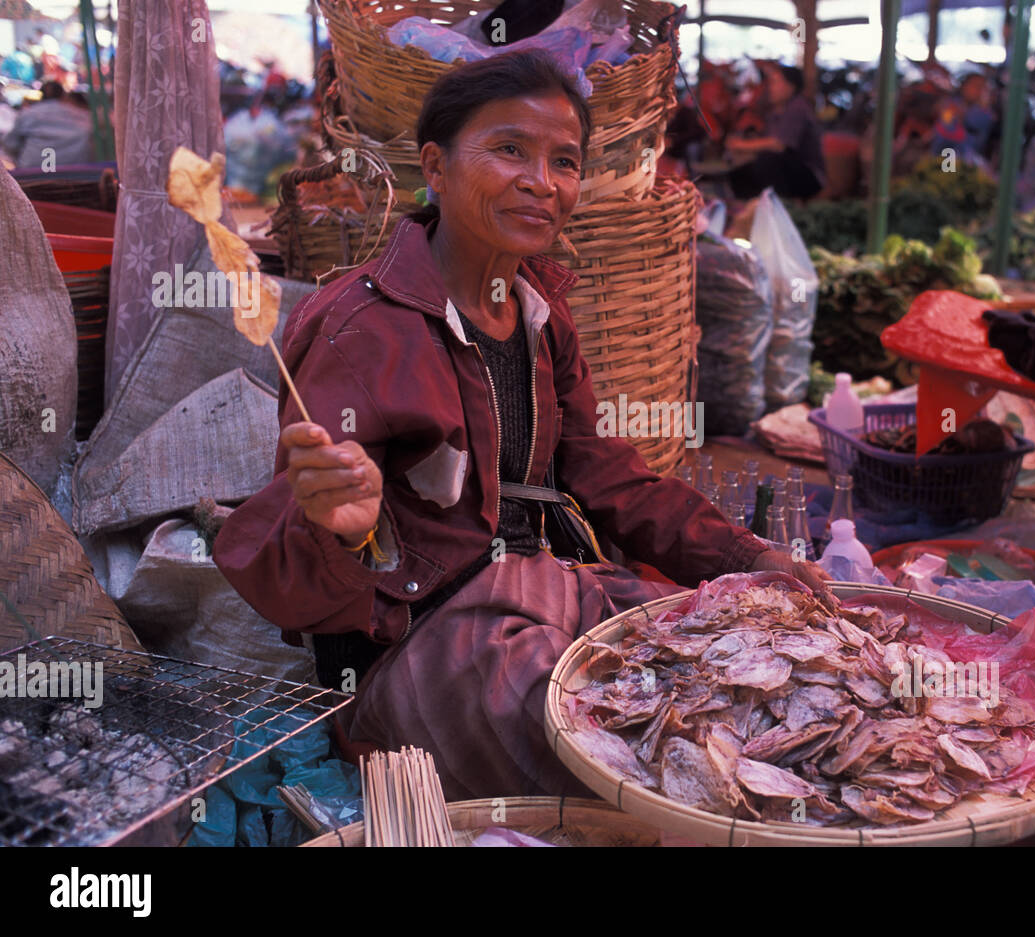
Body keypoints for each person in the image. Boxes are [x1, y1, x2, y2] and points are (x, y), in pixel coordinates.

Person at [213, 50, 830, 802]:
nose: (543, 181)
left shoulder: (536, 308)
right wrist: (350, 530)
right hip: (425, 643)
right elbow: (287, 571)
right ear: (436, 167)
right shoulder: (358, 329)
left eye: (564, 160)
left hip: (545, 591)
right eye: (510, 150)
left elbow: (605, 474)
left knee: (733, 671)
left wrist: (746, 554)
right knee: (632, 748)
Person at [726, 63, 826, 200]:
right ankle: (752, 210)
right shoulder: (776, 111)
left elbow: (778, 144)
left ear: (790, 86)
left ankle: (783, 207)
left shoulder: (798, 107)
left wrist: (740, 145)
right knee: (740, 174)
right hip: (785, 168)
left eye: (775, 83)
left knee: (767, 161)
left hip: (809, 176)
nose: (770, 88)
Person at [2, 80, 92, 169]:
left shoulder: (28, 114)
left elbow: (10, 144)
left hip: (32, 172)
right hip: (75, 172)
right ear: (63, 95)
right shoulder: (81, 114)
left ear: (41, 95)